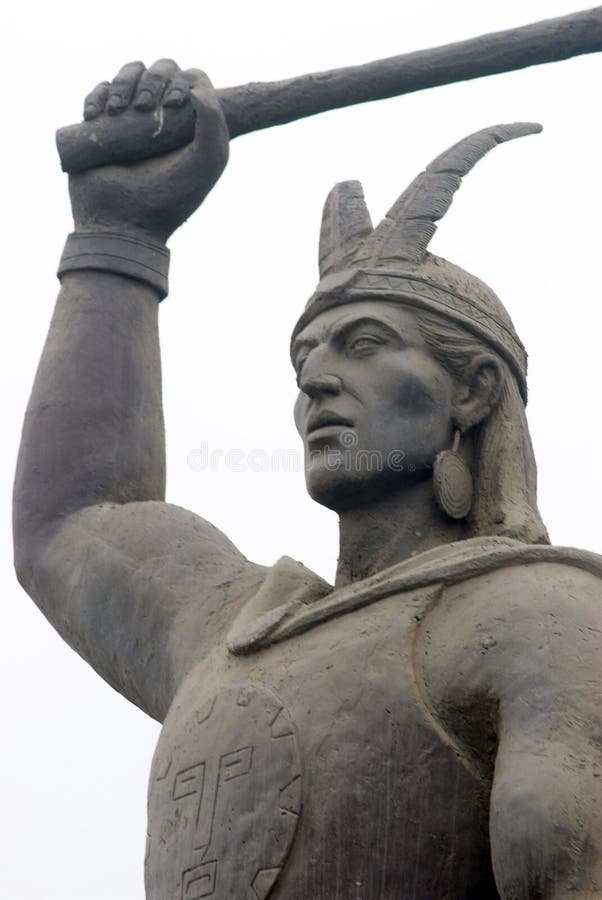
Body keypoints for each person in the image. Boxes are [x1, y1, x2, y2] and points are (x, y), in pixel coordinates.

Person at [13, 60, 602, 899]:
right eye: (304, 355)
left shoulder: (540, 613)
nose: (315, 378)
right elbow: (71, 519)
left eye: (363, 343)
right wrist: (118, 241)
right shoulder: (235, 631)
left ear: (469, 391)